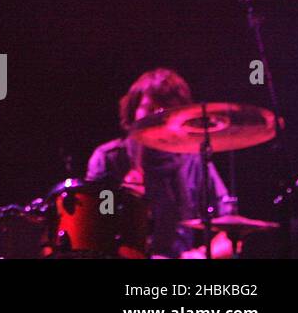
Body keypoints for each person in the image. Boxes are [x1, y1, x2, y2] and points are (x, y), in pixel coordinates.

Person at [86, 67, 234, 258]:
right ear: (133, 112)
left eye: (167, 109)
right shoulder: (109, 158)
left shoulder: (194, 161)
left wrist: (197, 256)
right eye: (149, 109)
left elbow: (231, 230)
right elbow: (89, 228)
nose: (158, 116)